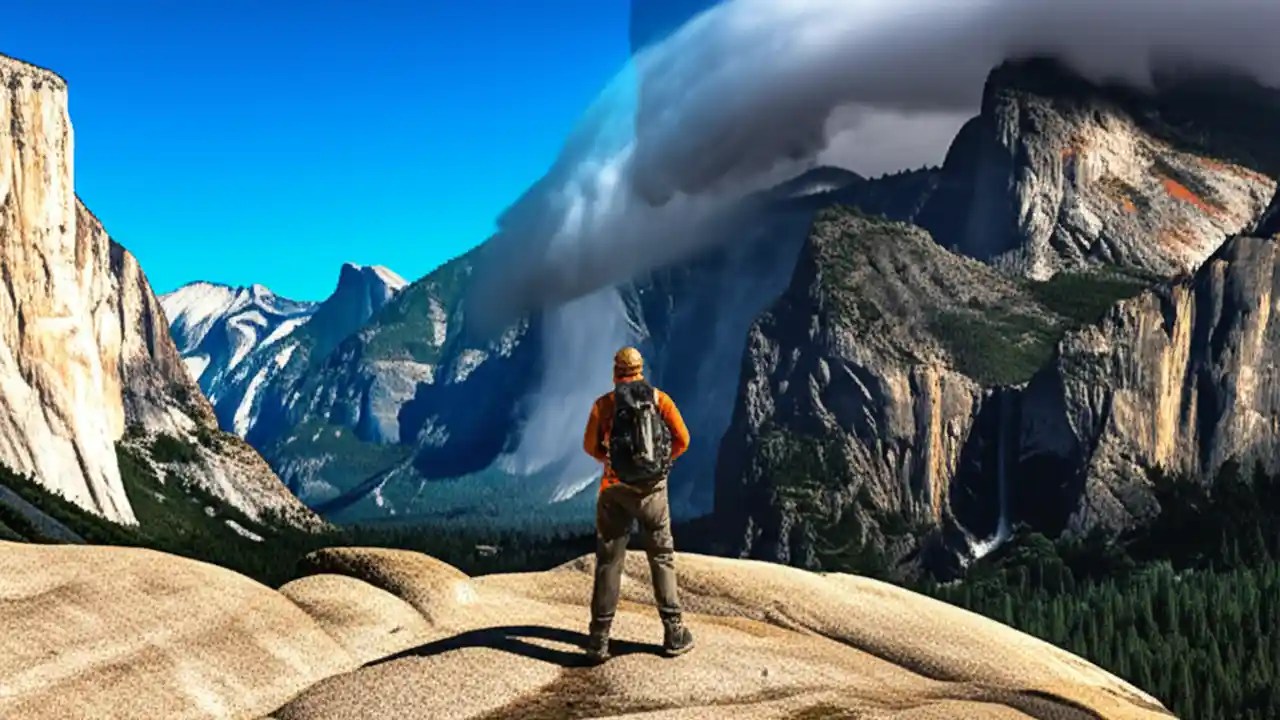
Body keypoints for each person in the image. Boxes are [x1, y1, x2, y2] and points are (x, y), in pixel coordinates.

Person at [581, 346, 694, 663]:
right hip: (653, 493)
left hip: (614, 491)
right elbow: (683, 440)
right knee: (661, 558)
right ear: (641, 369)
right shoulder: (661, 401)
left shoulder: (604, 405)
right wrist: (661, 465)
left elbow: (589, 446)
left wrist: (611, 463)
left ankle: (599, 640)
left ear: (616, 372)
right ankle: (674, 632)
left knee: (609, 563)